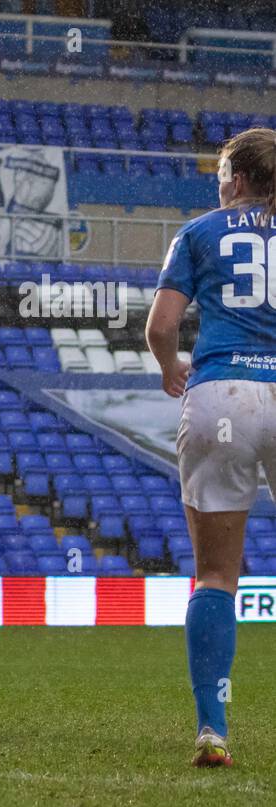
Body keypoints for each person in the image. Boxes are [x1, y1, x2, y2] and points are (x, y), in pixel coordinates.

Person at [146, 126, 276, 767]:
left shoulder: (199, 232)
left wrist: (172, 368)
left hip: (223, 391)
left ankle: (213, 729)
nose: (217, 184)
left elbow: (162, 325)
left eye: (223, 173)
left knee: (217, 576)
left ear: (243, 180)